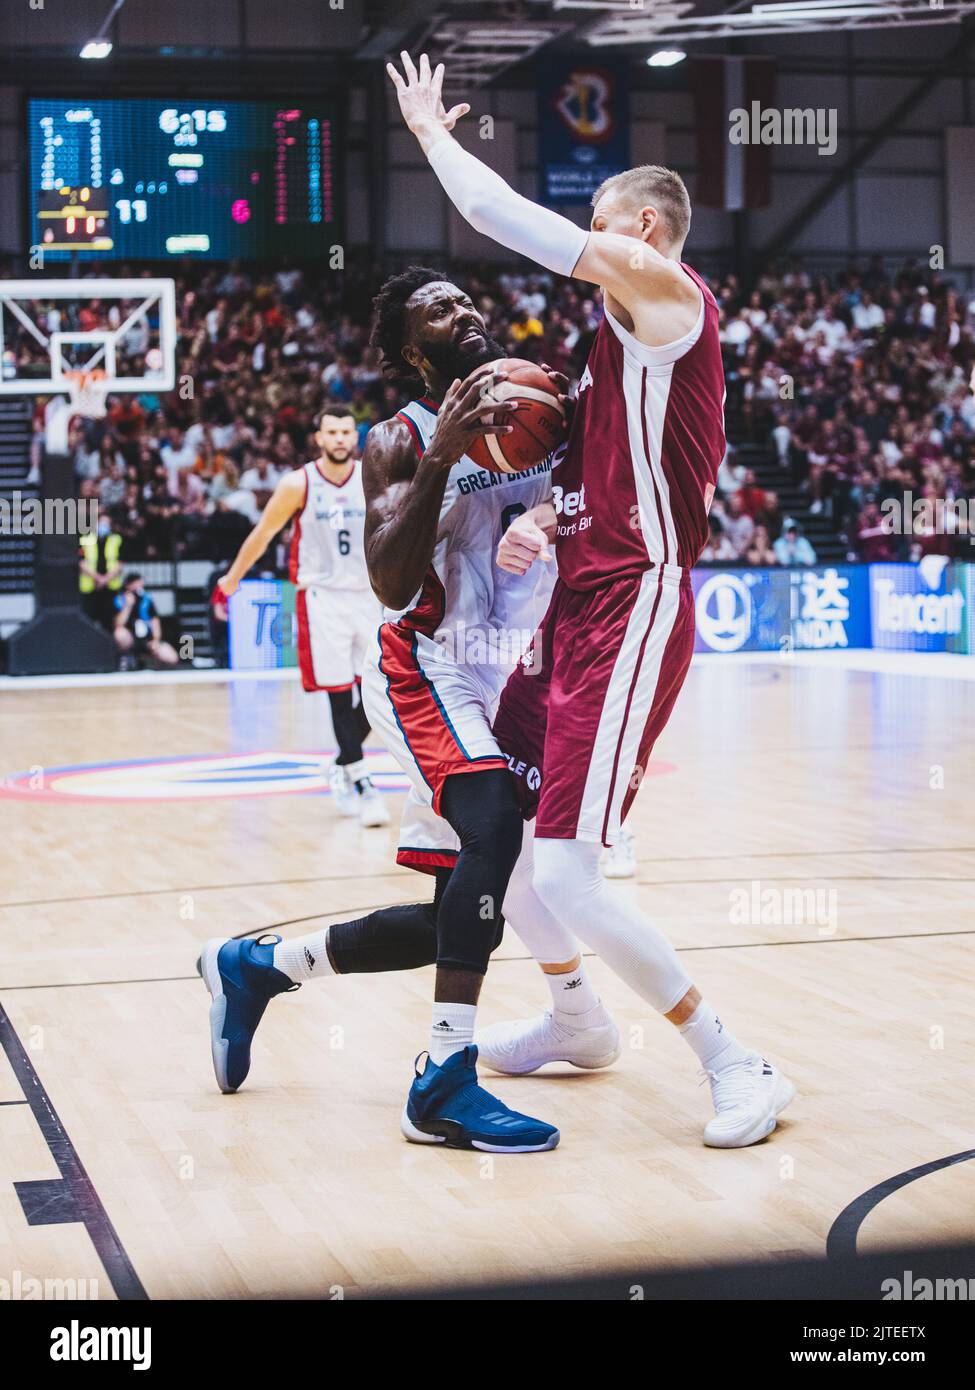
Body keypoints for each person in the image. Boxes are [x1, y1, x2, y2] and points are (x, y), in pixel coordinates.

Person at [386, 51, 794, 1148]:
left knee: (569, 864)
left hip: (637, 605)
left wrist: (430, 134)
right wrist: (544, 514)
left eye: (605, 223)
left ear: (645, 235)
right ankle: (576, 1018)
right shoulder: (611, 340)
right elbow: (609, 464)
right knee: (500, 835)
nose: (592, 241)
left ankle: (736, 1059)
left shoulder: (668, 298)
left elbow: (499, 211)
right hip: (578, 601)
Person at [198, 267, 584, 1154]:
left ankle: (257, 967)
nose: (467, 310)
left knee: (453, 909)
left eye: (466, 296)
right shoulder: (398, 441)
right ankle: (444, 1082)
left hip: (509, 675)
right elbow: (389, 580)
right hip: (426, 665)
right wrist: (445, 451)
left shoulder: (544, 404)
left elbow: (588, 505)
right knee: (492, 823)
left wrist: (553, 524)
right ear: (416, 352)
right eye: (441, 311)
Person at [214, 406, 389, 828]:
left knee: (382, 688)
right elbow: (263, 534)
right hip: (321, 596)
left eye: (347, 431)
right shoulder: (299, 483)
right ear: (319, 437)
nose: (341, 439)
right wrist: (232, 579)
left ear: (355, 436)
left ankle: (344, 760)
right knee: (336, 690)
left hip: (369, 594)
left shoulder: (372, 476)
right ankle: (361, 780)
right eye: (332, 432)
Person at [113, 573, 178, 668]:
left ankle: (149, 661)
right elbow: (118, 624)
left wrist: (156, 640)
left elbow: (155, 621)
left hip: (147, 639)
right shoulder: (119, 600)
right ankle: (126, 659)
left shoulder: (147, 599)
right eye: (136, 584)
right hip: (131, 639)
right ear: (128, 585)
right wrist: (128, 606)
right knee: (119, 633)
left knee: (172, 658)